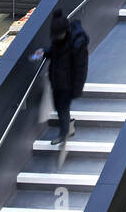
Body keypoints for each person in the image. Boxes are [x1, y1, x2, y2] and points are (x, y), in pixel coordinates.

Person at [29, 9, 89, 149]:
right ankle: (68, 126)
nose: (56, 38)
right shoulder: (59, 41)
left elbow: (81, 69)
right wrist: (44, 52)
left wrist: (77, 89)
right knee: (59, 107)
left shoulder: (77, 44)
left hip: (67, 84)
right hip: (57, 81)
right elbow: (55, 53)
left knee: (62, 107)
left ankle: (64, 133)